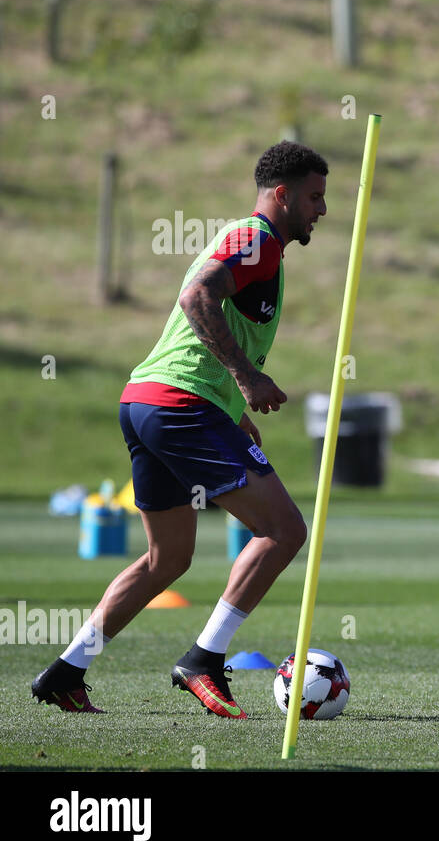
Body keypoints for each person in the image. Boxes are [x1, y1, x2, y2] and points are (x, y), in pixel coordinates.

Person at [31, 141, 327, 716]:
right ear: (282, 195)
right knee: (285, 530)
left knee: (166, 561)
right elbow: (197, 298)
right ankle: (204, 658)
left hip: (147, 401)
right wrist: (244, 382)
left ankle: (65, 671)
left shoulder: (258, 248)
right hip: (177, 405)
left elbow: (206, 329)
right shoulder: (257, 239)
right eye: (314, 197)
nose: (322, 209)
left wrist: (233, 409)